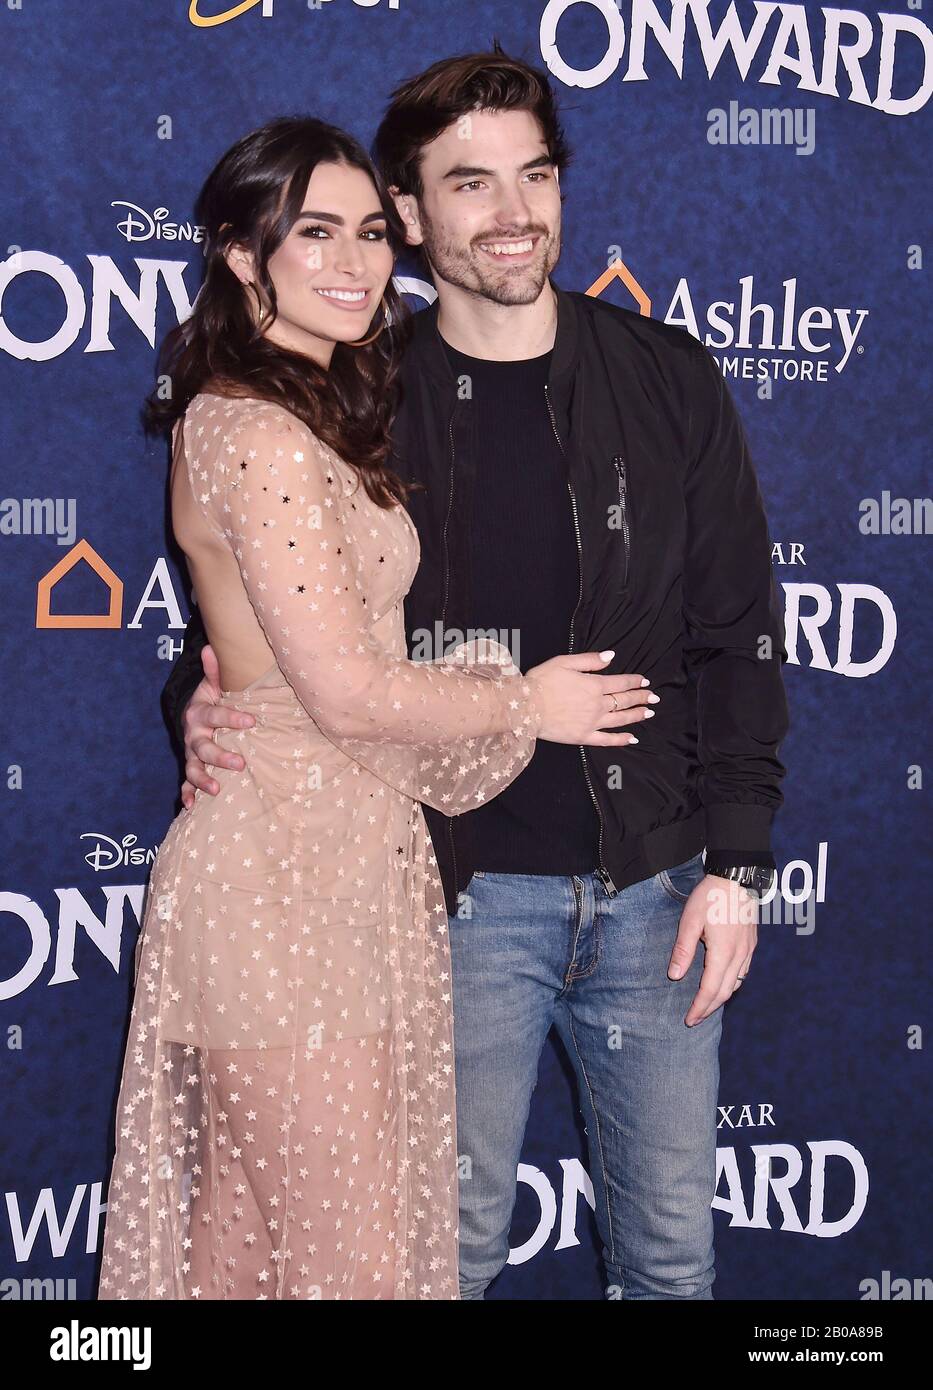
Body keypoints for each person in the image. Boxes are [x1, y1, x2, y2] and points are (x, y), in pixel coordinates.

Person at [164, 47, 790, 1302]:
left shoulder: (667, 377)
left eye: (535, 175)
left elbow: (740, 622)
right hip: (448, 892)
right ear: (410, 213)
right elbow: (264, 598)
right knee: (432, 1255)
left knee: (673, 1255)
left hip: (654, 887)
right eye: (470, 184)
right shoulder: (351, 391)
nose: (514, 214)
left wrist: (737, 862)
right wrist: (197, 692)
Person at [97, 115, 651, 1302]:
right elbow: (344, 686)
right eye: (313, 235)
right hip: (284, 887)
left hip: (341, 866)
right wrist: (522, 701)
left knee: (241, 1251)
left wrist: (205, 684)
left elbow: (272, 642)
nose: (355, 266)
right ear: (244, 256)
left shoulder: (311, 401)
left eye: (366, 234)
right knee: (345, 1265)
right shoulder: (257, 431)